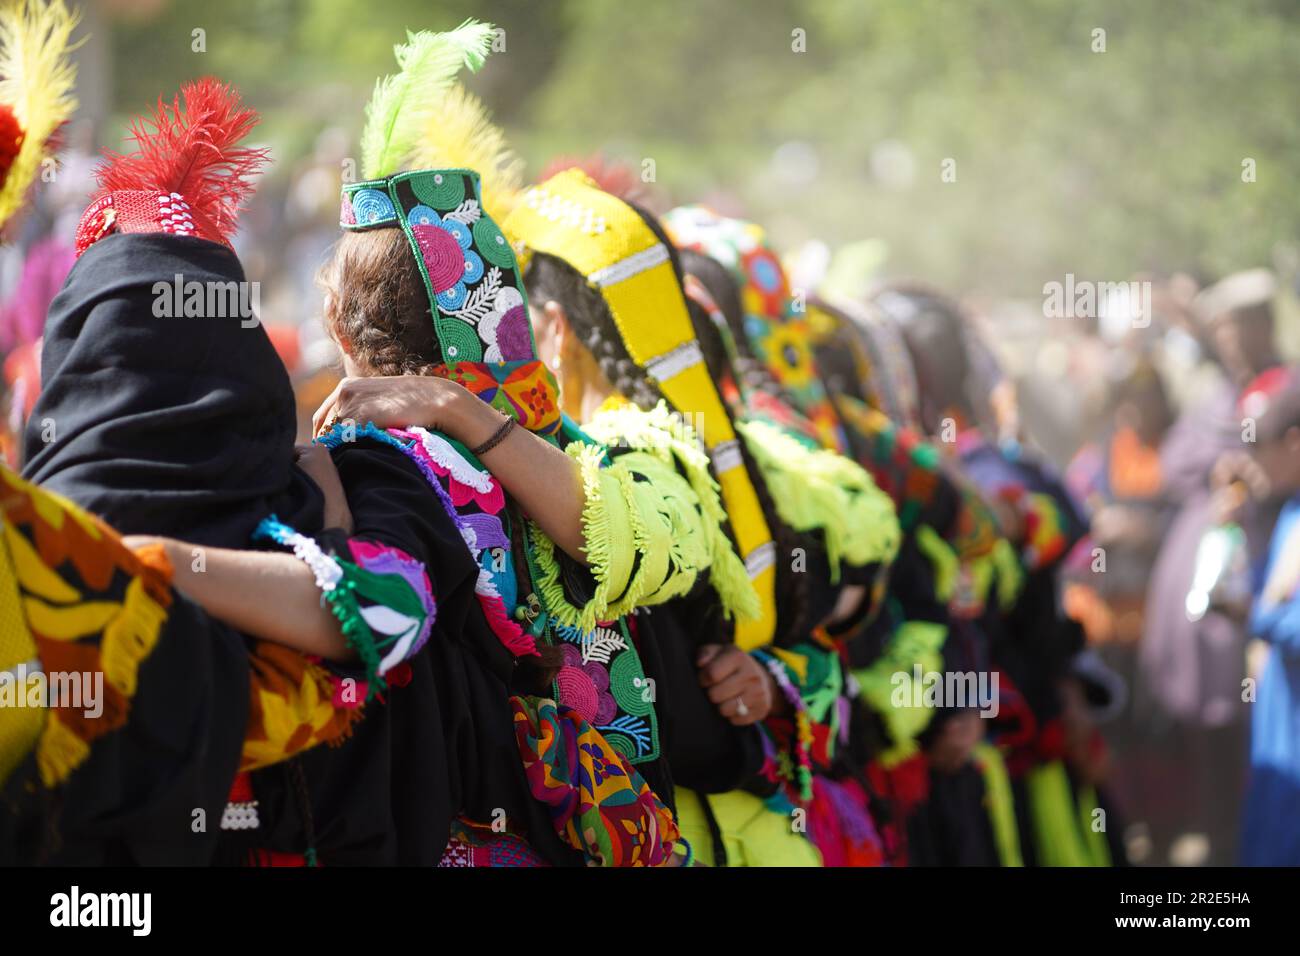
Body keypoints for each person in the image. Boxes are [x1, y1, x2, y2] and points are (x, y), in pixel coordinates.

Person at [1139, 268, 1281, 865]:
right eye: (1220, 328)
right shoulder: (1213, 398)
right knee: (1202, 704)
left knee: (1253, 703)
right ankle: (1215, 825)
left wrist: (1256, 481)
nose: (1230, 339)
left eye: (1239, 327)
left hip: (1267, 564)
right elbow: (1176, 464)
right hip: (1201, 575)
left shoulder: (1284, 391)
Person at [1236, 366, 1300, 864]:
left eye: (1262, 450)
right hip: (1280, 728)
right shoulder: (1286, 512)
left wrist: (1265, 616)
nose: (1253, 465)